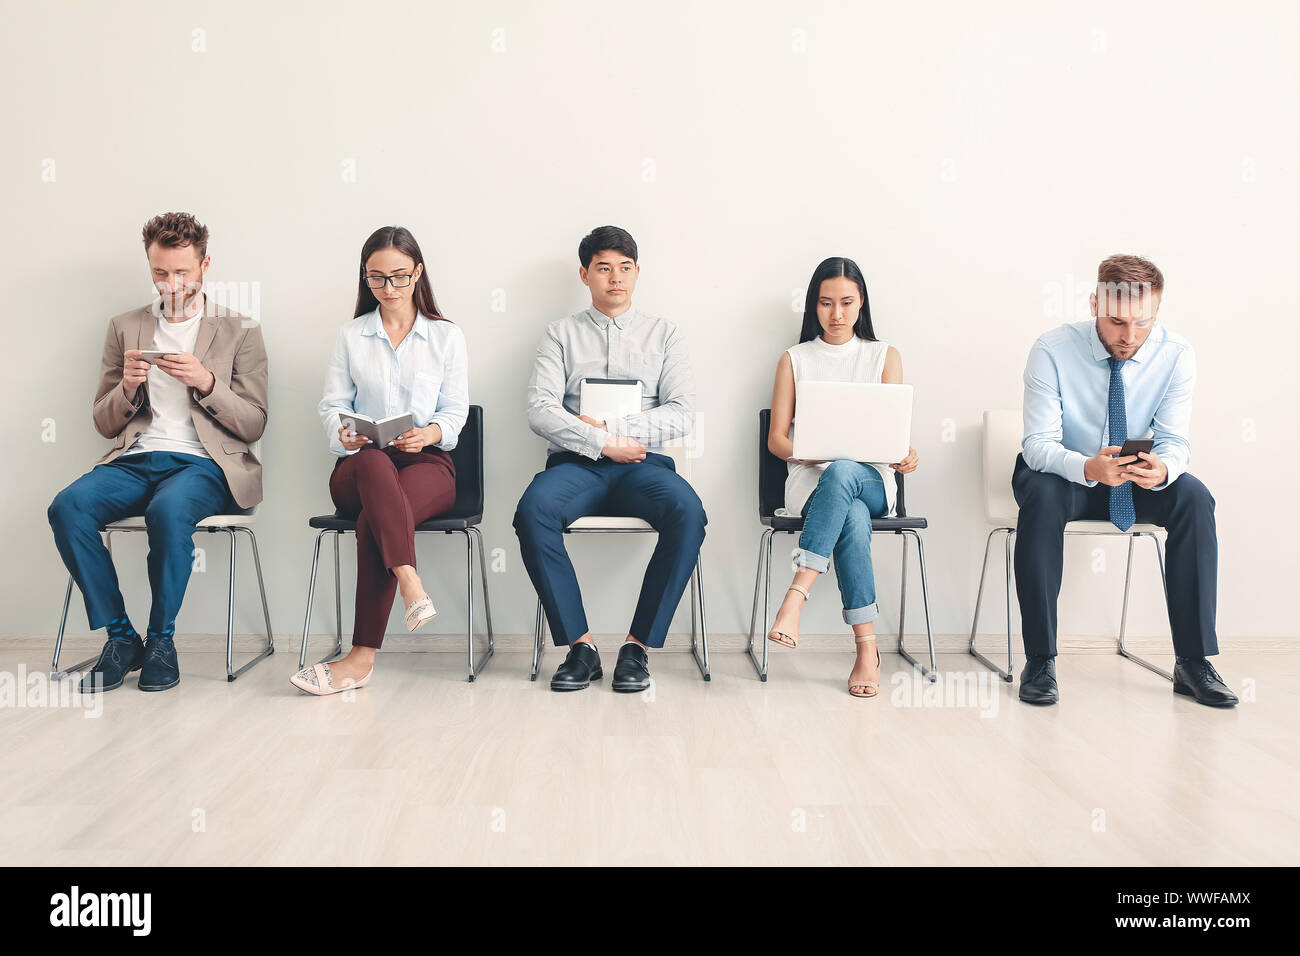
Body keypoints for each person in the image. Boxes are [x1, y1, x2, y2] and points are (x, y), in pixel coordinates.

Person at [47, 212, 269, 693]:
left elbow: (254, 422)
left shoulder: (240, 331)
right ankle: (121, 638)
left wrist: (205, 382)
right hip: (135, 459)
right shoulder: (125, 326)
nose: (171, 284)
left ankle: (162, 640)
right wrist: (127, 389)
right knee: (68, 506)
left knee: (168, 513)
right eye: (160, 272)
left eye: (182, 272)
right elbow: (105, 422)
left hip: (205, 465)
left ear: (205, 264)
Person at [1014, 254, 1236, 707]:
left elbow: (1175, 441)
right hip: (1065, 474)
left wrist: (1165, 469)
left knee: (1194, 496)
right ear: (1095, 303)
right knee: (1042, 494)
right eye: (1116, 321)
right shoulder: (1052, 349)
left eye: (1142, 323)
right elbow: (1037, 444)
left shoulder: (1175, 355)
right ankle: (1040, 659)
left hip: (1132, 477)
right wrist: (1087, 467)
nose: (1129, 337)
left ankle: (1192, 662)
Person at [513, 225, 706, 693]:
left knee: (689, 512)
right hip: (577, 467)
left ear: (637, 273)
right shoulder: (559, 335)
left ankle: (637, 646)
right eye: (603, 268)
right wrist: (596, 444)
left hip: (642, 465)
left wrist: (614, 432)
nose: (614, 278)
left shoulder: (665, 334)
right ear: (585, 274)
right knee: (532, 511)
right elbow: (540, 410)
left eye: (624, 268)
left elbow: (682, 414)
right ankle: (581, 647)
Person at [291, 226, 468, 697]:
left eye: (399, 278)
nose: (389, 289)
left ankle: (359, 659)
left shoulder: (446, 337)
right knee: (374, 467)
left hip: (426, 463)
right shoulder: (351, 336)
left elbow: (455, 412)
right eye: (377, 279)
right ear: (365, 279)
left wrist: (429, 433)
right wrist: (344, 434)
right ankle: (410, 580)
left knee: (378, 518)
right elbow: (331, 406)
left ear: (419, 274)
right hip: (361, 465)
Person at [763, 257, 918, 697]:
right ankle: (867, 649)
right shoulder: (795, 358)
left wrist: (906, 455)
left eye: (847, 302)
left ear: (861, 302)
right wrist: (815, 455)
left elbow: (895, 435)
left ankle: (796, 595)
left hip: (872, 482)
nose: (837, 314)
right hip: (811, 487)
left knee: (848, 472)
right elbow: (777, 439)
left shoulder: (884, 356)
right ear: (813, 306)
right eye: (826, 303)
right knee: (848, 512)